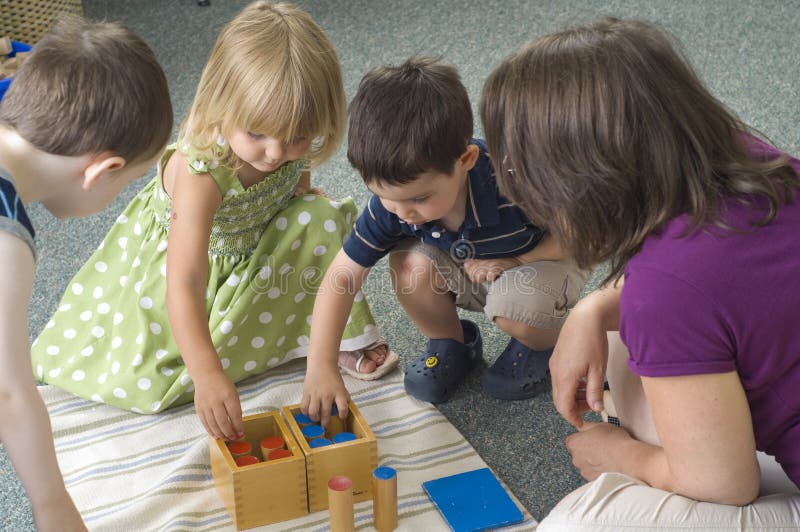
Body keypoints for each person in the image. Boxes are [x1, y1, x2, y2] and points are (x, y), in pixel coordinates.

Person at [480, 16, 800, 530]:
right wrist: (594, 306)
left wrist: (620, 456)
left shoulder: (664, 289)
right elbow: (722, 281)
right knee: (629, 346)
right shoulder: (755, 161)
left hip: (732, 474)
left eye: (516, 171)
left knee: (580, 520)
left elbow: (724, 486)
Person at [31, 1, 395, 443]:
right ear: (223, 107)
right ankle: (247, 344)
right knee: (165, 367)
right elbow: (183, 280)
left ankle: (329, 344)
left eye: (297, 136)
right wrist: (206, 374)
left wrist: (300, 195)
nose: (277, 153)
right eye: (258, 135)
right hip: (188, 273)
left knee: (323, 218)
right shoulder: (201, 172)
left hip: (252, 247)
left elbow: (294, 181)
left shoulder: (280, 145)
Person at [301, 56, 589, 426]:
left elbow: (581, 237)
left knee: (516, 308)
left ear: (466, 159)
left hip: (543, 258)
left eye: (419, 199)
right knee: (407, 265)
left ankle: (543, 345)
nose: (402, 211)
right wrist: (321, 364)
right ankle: (452, 344)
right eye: (385, 196)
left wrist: (518, 261)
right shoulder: (395, 203)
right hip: (471, 265)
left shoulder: (517, 181)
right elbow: (343, 274)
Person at [0, 16, 172, 532]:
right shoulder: (7, 243)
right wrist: (54, 506)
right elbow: (9, 394)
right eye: (129, 182)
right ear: (101, 171)